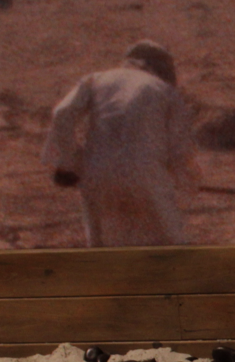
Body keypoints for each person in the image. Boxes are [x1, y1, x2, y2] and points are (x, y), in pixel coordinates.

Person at [42, 40, 199, 247]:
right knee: (172, 245)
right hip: (147, 176)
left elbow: (62, 114)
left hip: (96, 172)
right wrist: (185, 182)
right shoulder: (165, 92)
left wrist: (68, 163)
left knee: (101, 250)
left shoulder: (96, 79)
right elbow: (180, 150)